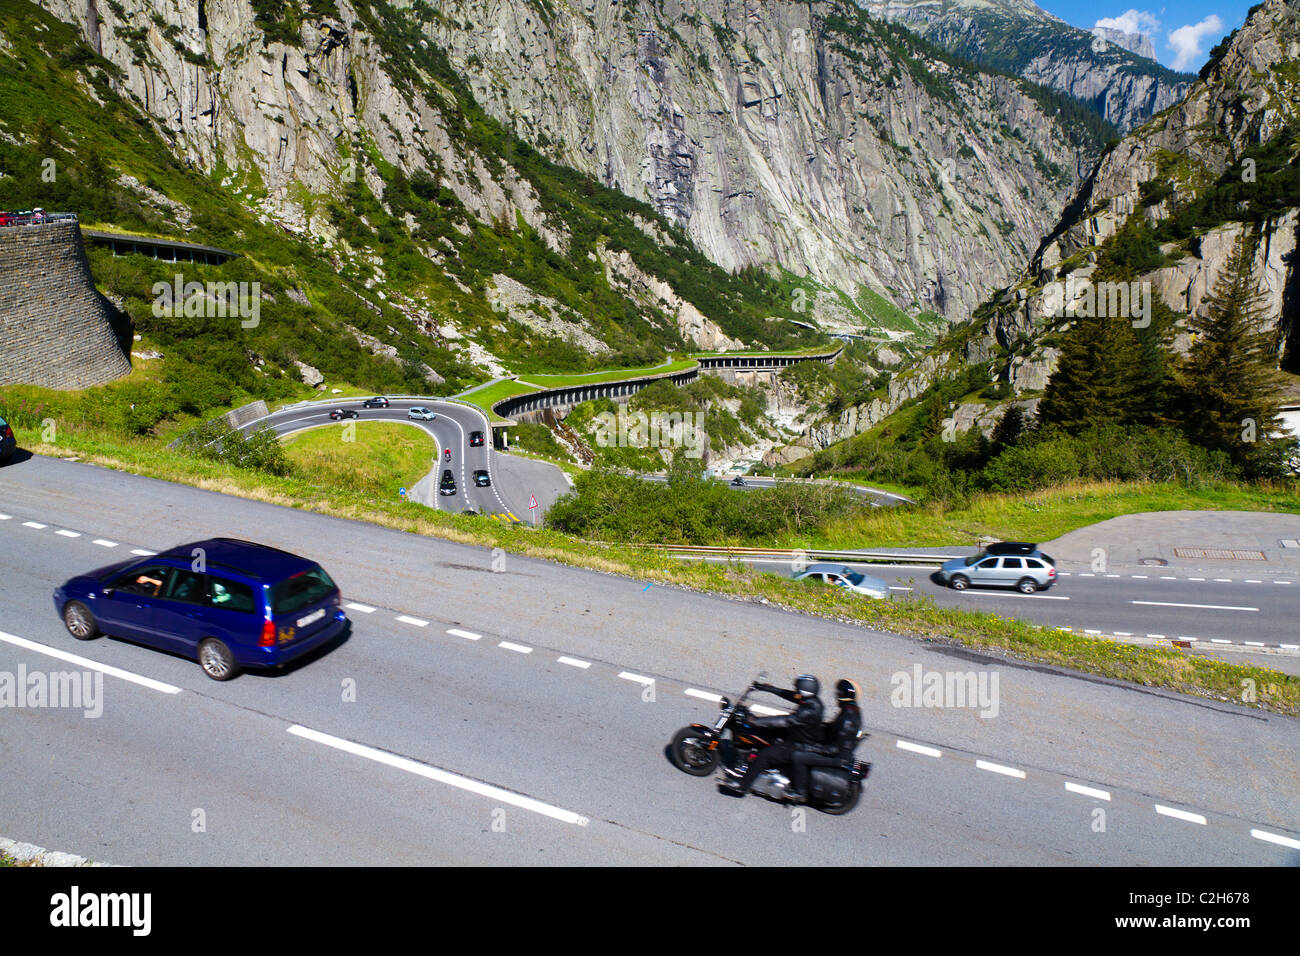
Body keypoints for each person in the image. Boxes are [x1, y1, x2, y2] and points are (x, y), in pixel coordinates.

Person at [721, 675, 823, 796]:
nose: (795, 691)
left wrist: (754, 721)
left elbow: (785, 720)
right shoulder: (811, 701)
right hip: (796, 734)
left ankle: (742, 786)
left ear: (803, 691)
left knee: (765, 755)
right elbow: (790, 695)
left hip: (798, 744)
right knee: (764, 734)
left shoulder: (808, 711)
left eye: (797, 689)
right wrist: (769, 689)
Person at [790, 678, 864, 800]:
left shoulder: (847, 720)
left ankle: (799, 792)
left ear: (843, 696)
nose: (836, 696)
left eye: (838, 694)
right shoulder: (852, 711)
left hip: (837, 756)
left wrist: (811, 747)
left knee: (798, 756)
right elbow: (835, 729)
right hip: (842, 750)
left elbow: (833, 749)